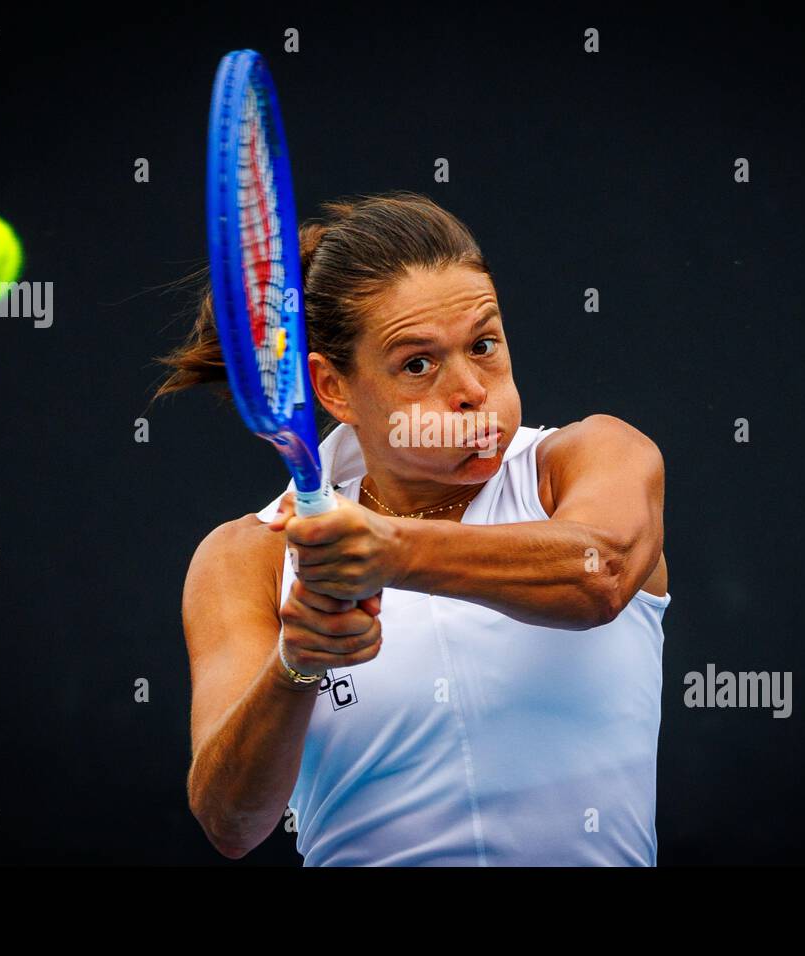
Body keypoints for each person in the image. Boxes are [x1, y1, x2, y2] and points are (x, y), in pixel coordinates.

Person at [153, 191, 670, 865]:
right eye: (418, 364)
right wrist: (296, 665)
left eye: (484, 344)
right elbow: (231, 823)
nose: (472, 389)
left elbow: (599, 576)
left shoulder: (593, 456)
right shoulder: (246, 556)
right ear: (334, 389)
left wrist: (389, 551)